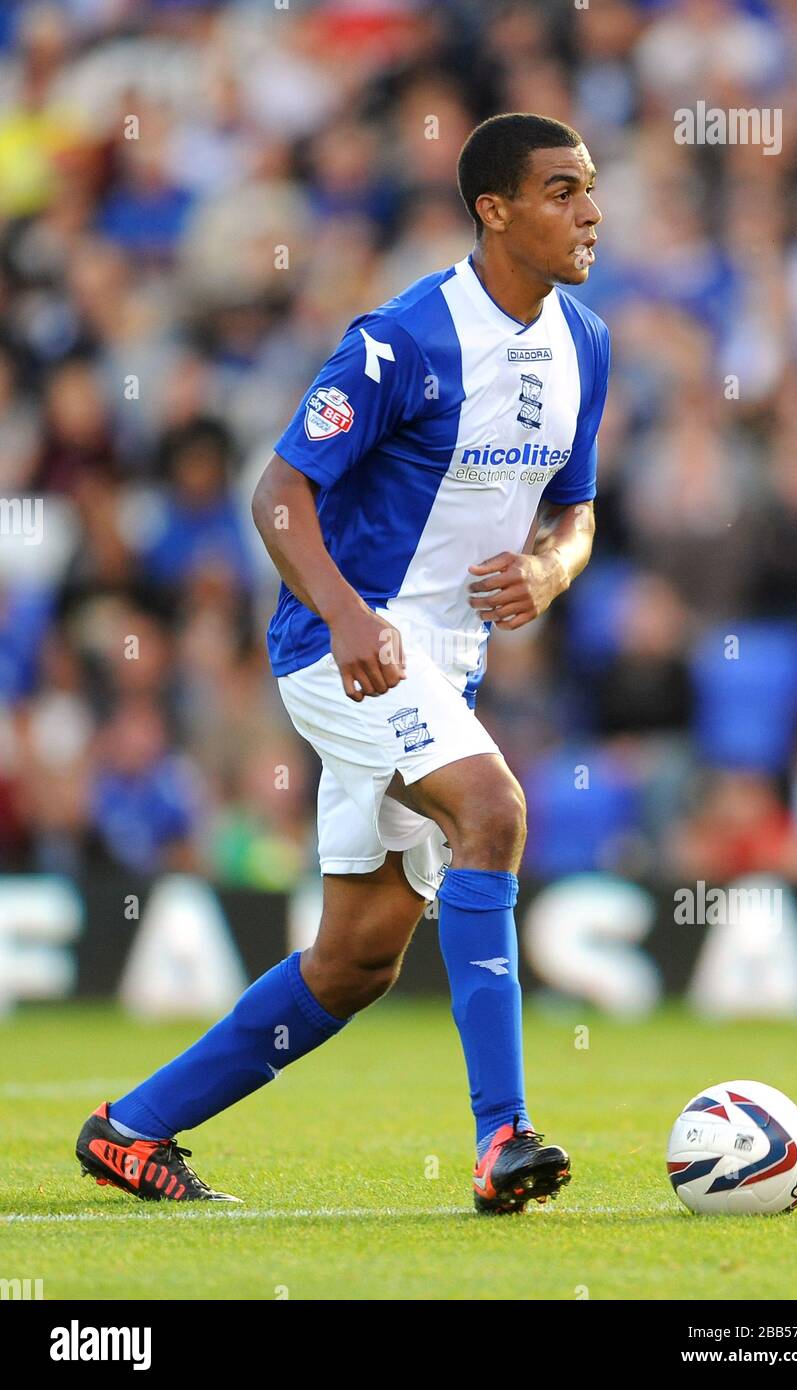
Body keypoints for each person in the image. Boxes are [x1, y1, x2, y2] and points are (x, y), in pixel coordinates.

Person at [75, 112, 609, 1214]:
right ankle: (501, 1136)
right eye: (561, 191)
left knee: (358, 958)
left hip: (442, 672)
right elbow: (279, 492)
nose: (589, 211)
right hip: (343, 651)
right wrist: (349, 615)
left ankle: (130, 1129)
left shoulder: (584, 346)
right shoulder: (401, 339)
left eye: (589, 188)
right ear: (493, 210)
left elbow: (577, 511)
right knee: (491, 812)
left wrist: (550, 573)